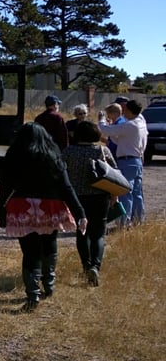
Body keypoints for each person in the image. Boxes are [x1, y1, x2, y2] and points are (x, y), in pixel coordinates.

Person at [0, 122, 86, 312]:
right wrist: (79, 213)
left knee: (30, 251)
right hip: (50, 207)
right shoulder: (53, 156)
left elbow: (5, 186)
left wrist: (0, 210)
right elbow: (66, 187)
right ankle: (49, 285)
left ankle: (32, 294)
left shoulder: (14, 156)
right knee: (50, 244)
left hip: (22, 206)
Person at [61, 121, 116, 286]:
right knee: (99, 233)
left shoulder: (69, 152)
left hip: (77, 198)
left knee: (82, 232)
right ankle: (96, 266)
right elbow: (114, 173)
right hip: (100, 196)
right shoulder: (102, 150)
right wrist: (114, 195)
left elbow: (61, 172)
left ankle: (86, 266)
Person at [99, 99, 148, 226]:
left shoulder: (130, 125)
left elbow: (105, 130)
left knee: (125, 192)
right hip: (137, 160)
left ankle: (124, 223)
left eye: (125, 110)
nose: (123, 112)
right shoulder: (141, 122)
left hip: (127, 161)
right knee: (137, 193)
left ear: (129, 110)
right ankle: (138, 220)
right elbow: (118, 140)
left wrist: (101, 119)